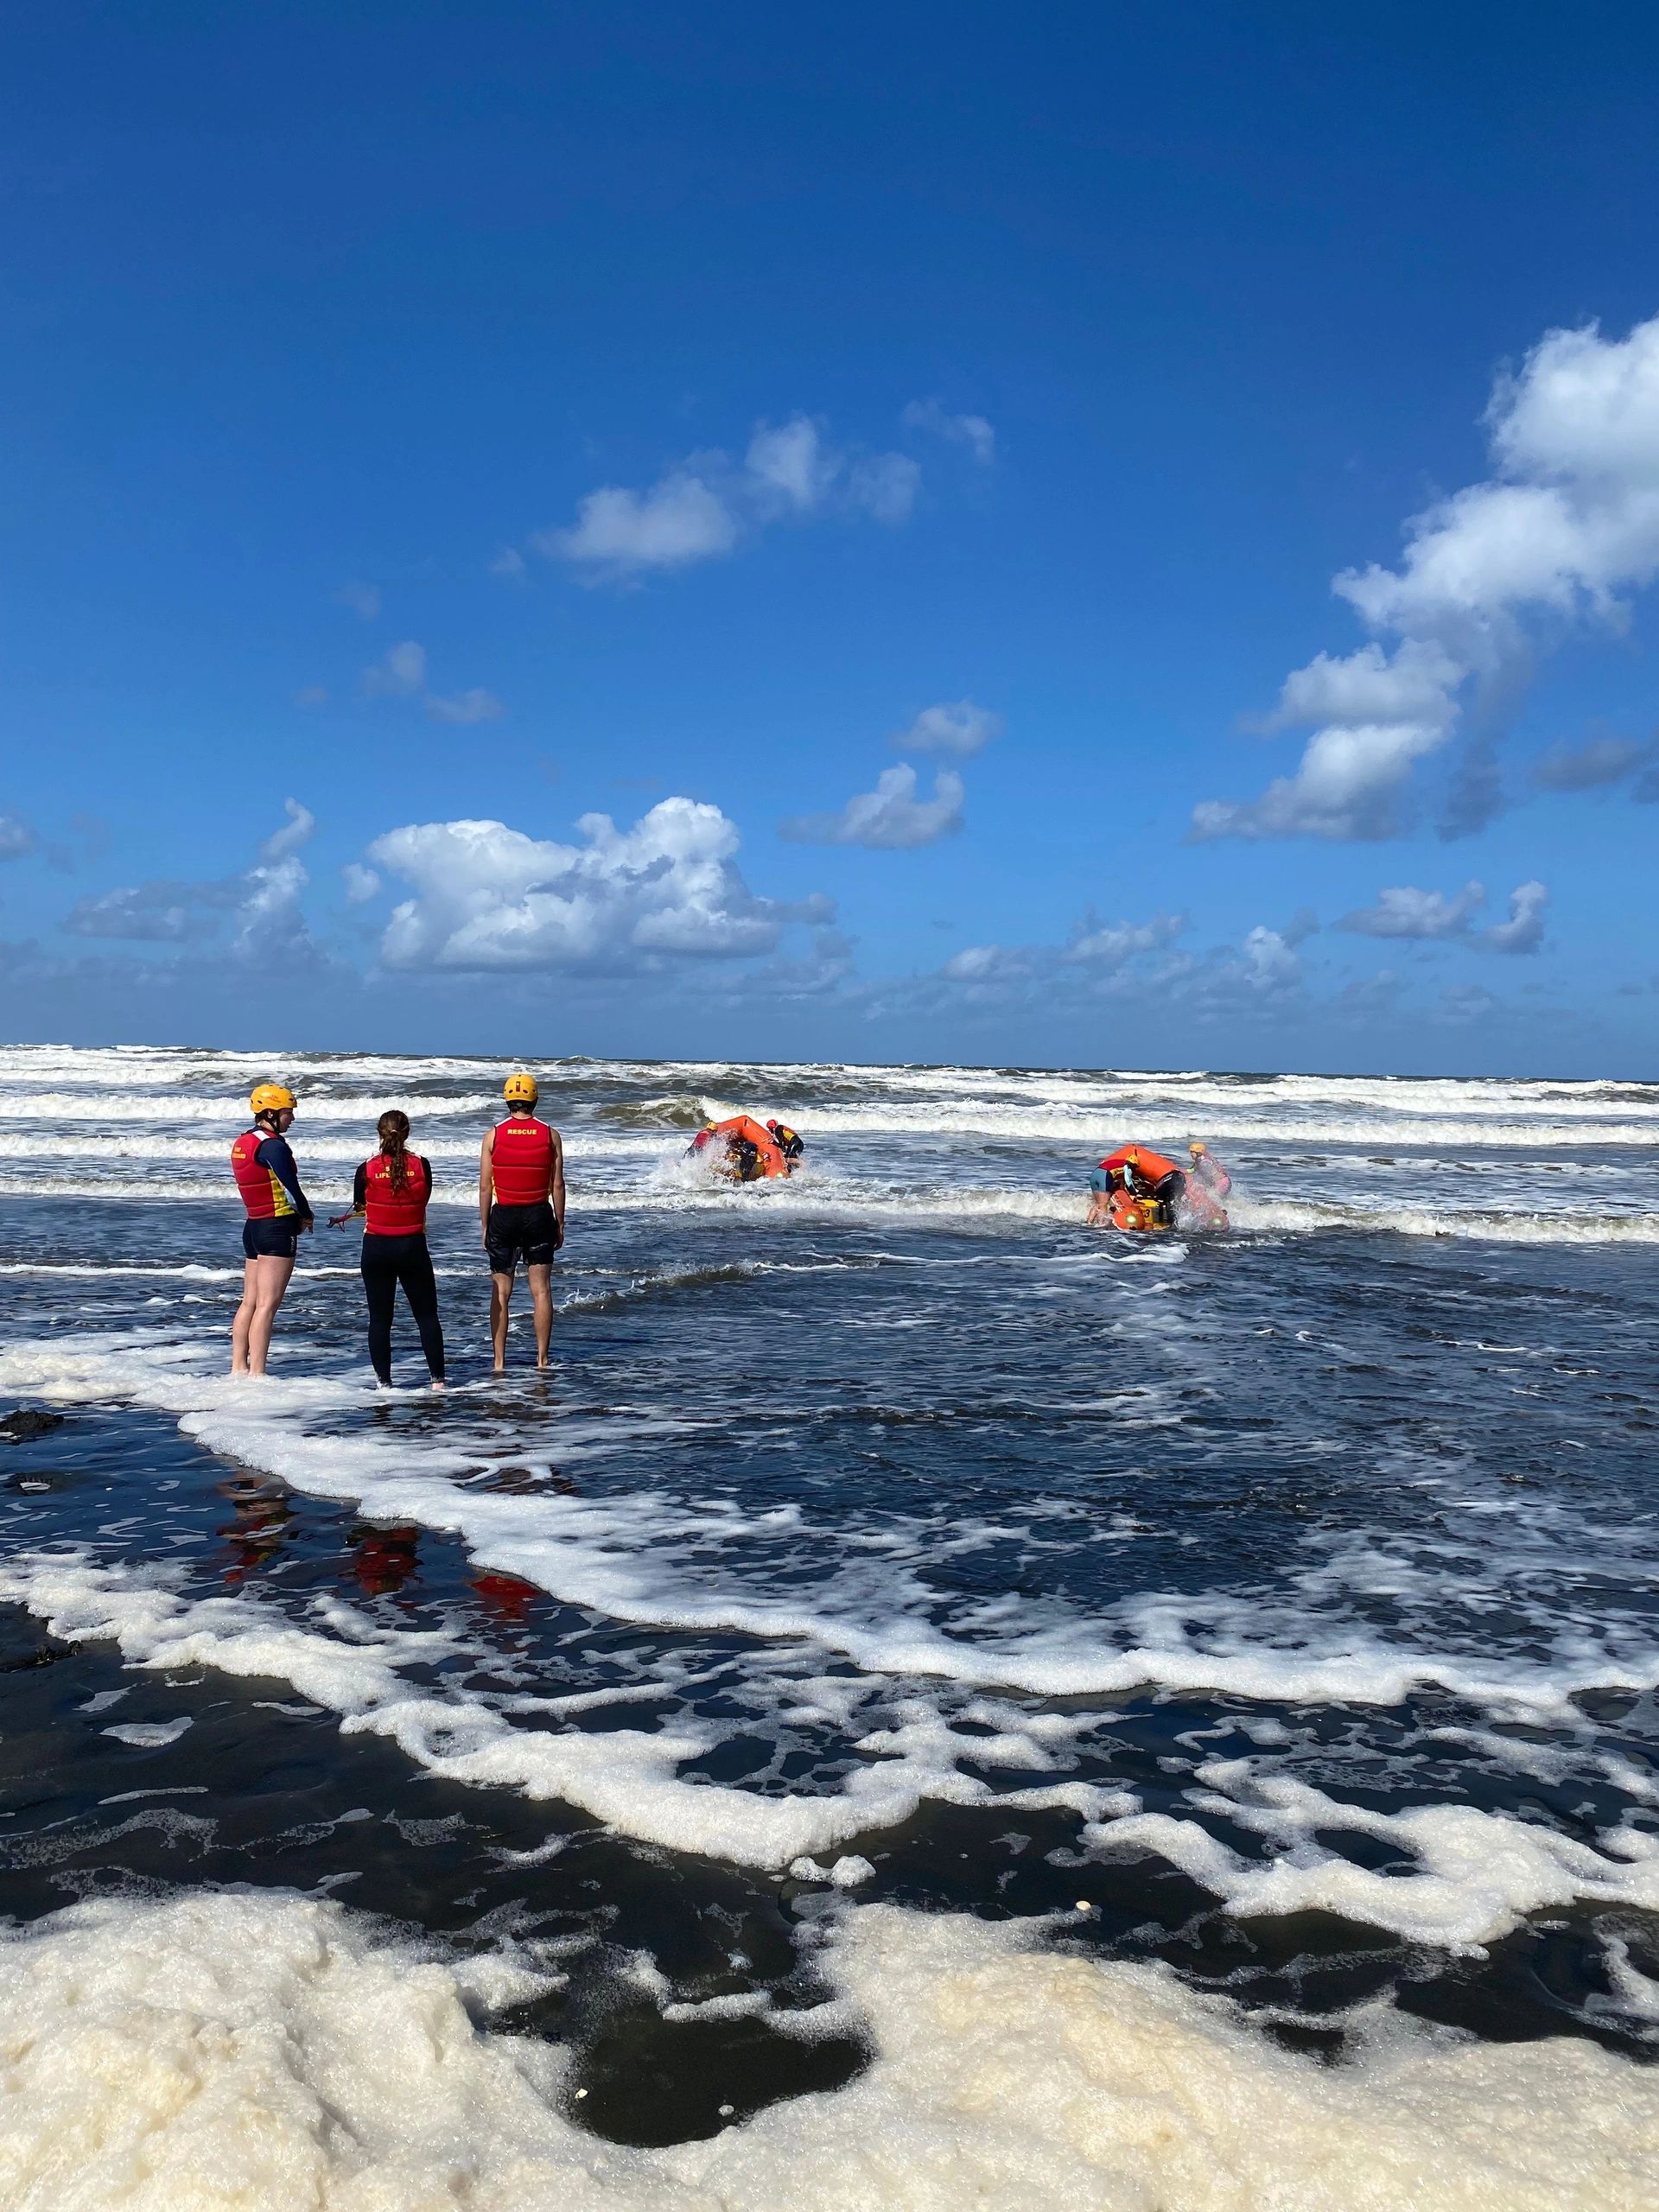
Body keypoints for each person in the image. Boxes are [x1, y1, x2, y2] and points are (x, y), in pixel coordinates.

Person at [329, 1109, 445, 1391]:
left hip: (377, 1248)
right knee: (427, 1316)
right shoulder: (422, 1165)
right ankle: (438, 1384)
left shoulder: (366, 1168)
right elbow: (423, 1199)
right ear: (407, 1133)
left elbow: (359, 1205)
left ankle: (384, 1385)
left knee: (380, 1320)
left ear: (379, 1133)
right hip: (412, 1246)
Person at [479, 1071, 564, 1371]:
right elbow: (557, 1184)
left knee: (501, 1291)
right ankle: (542, 1360)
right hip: (538, 1214)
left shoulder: (493, 1134)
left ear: (507, 1100)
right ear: (535, 1099)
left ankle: (499, 1362)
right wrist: (560, 1222)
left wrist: (485, 1225)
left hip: (504, 1215)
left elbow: (486, 1186)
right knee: (541, 1290)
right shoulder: (550, 1133)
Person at [231, 1083, 313, 1376]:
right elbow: (291, 1186)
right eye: (287, 1112)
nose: (292, 1118)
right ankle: (258, 1374)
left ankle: (238, 1368)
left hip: (253, 1226)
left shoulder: (243, 1141)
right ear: (270, 1113)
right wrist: (306, 1214)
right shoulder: (273, 1145)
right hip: (276, 1228)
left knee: (250, 1302)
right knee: (267, 1305)